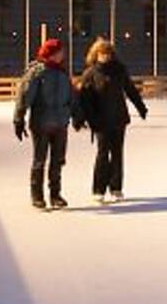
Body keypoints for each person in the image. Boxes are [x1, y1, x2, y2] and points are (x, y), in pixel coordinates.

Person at [77, 38, 147, 204]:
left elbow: (130, 90)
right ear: (96, 54)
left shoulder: (119, 71)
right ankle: (98, 189)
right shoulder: (90, 73)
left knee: (117, 154)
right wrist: (81, 118)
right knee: (102, 154)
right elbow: (84, 99)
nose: (105, 57)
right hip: (100, 121)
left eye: (108, 53)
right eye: (102, 53)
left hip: (118, 119)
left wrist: (140, 107)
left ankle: (116, 188)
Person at [14, 38, 76, 209]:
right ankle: (37, 195)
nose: (63, 55)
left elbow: (71, 97)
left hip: (61, 123)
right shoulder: (37, 72)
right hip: (41, 123)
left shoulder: (63, 74)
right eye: (60, 52)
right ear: (51, 53)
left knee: (58, 160)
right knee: (40, 160)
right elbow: (25, 95)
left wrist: (77, 115)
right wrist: (19, 118)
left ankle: (55, 195)